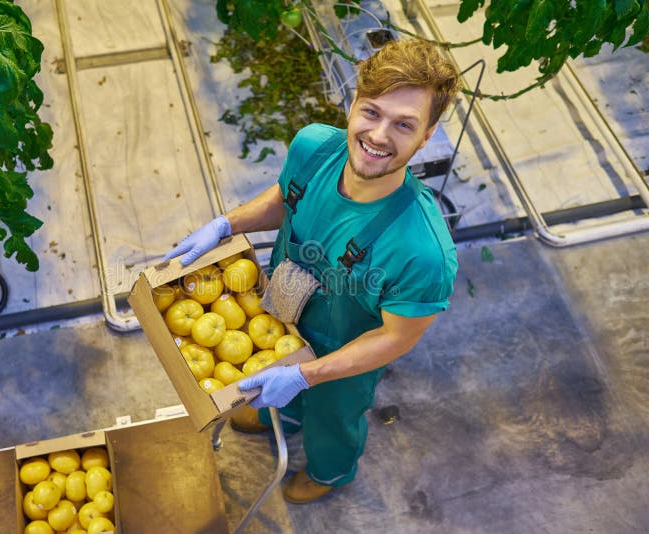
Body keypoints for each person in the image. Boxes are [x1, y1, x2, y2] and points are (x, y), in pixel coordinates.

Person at [164, 39, 460, 504]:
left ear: (426, 136)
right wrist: (227, 224)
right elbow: (286, 197)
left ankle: (329, 472)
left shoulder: (422, 252)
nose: (380, 135)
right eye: (372, 112)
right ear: (353, 104)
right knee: (268, 373)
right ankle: (281, 410)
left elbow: (396, 338)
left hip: (345, 355)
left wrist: (307, 375)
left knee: (332, 418)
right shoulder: (315, 148)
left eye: (404, 124)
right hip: (278, 309)